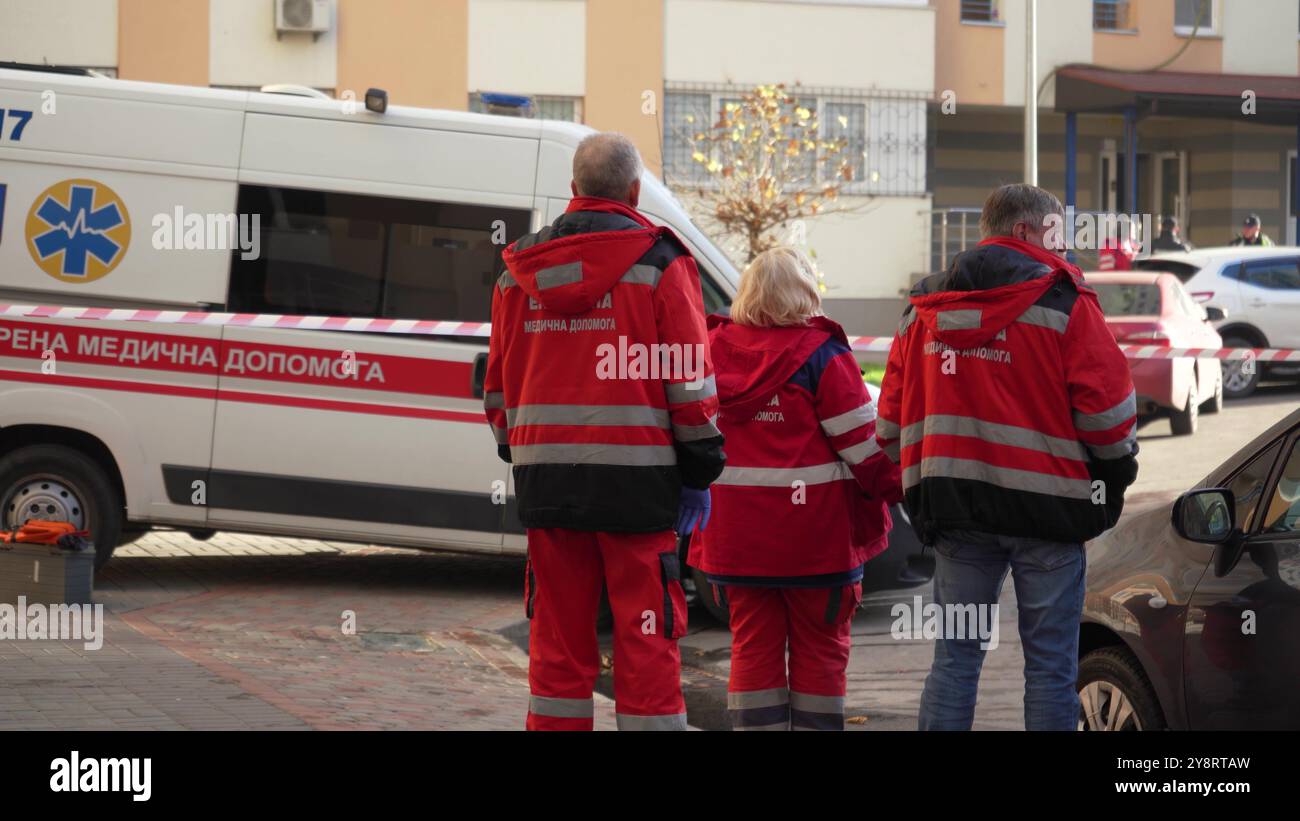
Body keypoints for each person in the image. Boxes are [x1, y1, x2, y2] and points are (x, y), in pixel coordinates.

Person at [483, 133, 726, 731]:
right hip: (640, 490)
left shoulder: (516, 274)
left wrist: (524, 452)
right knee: (647, 638)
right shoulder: (661, 264)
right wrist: (700, 470)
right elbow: (689, 385)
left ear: (574, 190)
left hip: (548, 487)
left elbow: (498, 391)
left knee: (558, 640)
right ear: (635, 191)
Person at [876, 183, 1139, 731]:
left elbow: (889, 425)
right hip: (1049, 515)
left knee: (954, 661)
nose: (1064, 248)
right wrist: (1114, 476)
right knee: (1050, 669)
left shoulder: (922, 308)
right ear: (1025, 231)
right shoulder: (1066, 301)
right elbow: (1109, 417)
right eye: (1056, 234)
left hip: (954, 513)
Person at [688, 247, 901, 731]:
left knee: (752, 649)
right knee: (821, 652)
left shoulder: (709, 351)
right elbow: (866, 452)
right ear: (804, 293)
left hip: (733, 543)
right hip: (816, 546)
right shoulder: (823, 355)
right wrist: (905, 493)